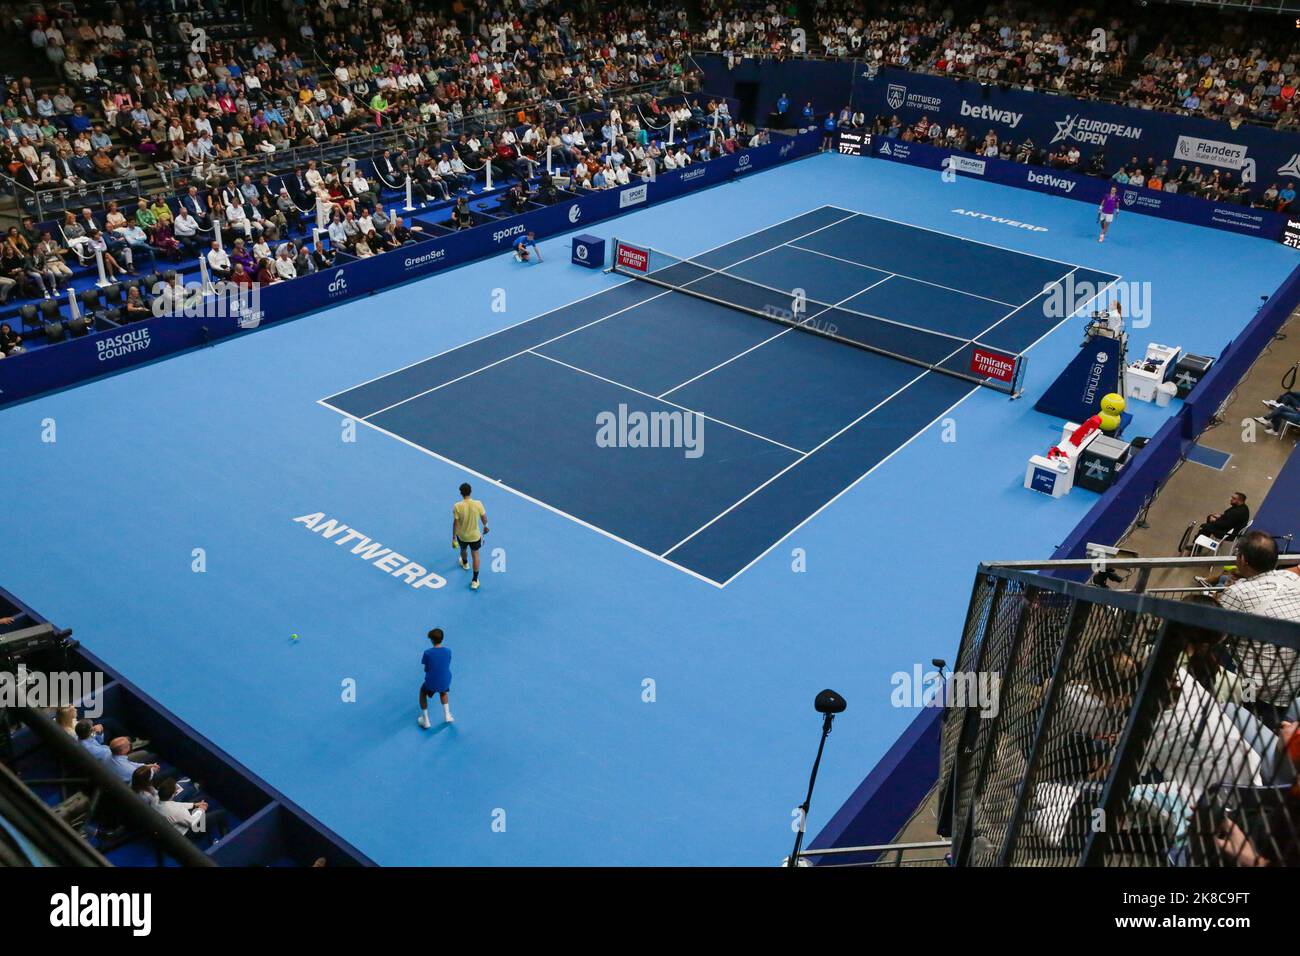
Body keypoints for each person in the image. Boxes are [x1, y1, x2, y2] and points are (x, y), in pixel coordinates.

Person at [452, 481, 489, 590]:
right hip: (475, 536)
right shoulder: (478, 504)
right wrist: (486, 526)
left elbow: (455, 523)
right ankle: (474, 580)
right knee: (476, 556)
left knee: (463, 549)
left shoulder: (457, 506)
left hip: (462, 536)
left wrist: (454, 537)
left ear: (461, 493)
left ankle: (465, 563)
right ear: (470, 492)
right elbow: (484, 519)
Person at [418, 627, 454, 727]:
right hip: (446, 680)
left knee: (423, 692)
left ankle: (426, 721)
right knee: (443, 692)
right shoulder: (448, 651)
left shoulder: (427, 653)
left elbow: (426, 669)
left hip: (431, 682)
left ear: (432, 640)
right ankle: (447, 715)